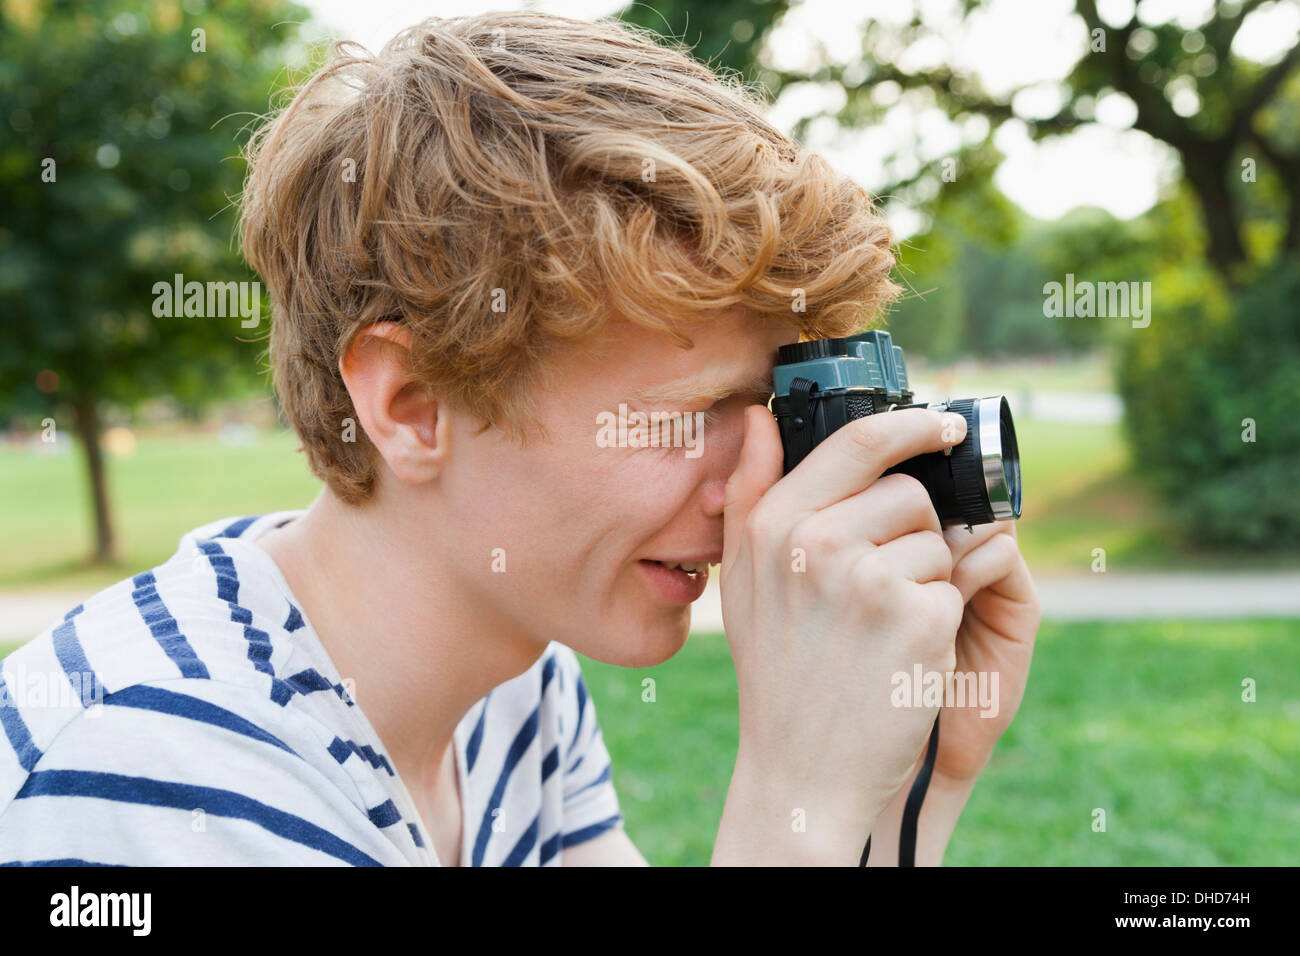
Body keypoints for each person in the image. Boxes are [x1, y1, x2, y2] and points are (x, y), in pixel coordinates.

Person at [0, 11, 1040, 866]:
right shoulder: (160, 768)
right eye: (688, 414)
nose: (754, 485)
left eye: (767, 409)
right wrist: (792, 791)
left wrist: (899, 791)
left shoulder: (514, 685)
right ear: (410, 403)